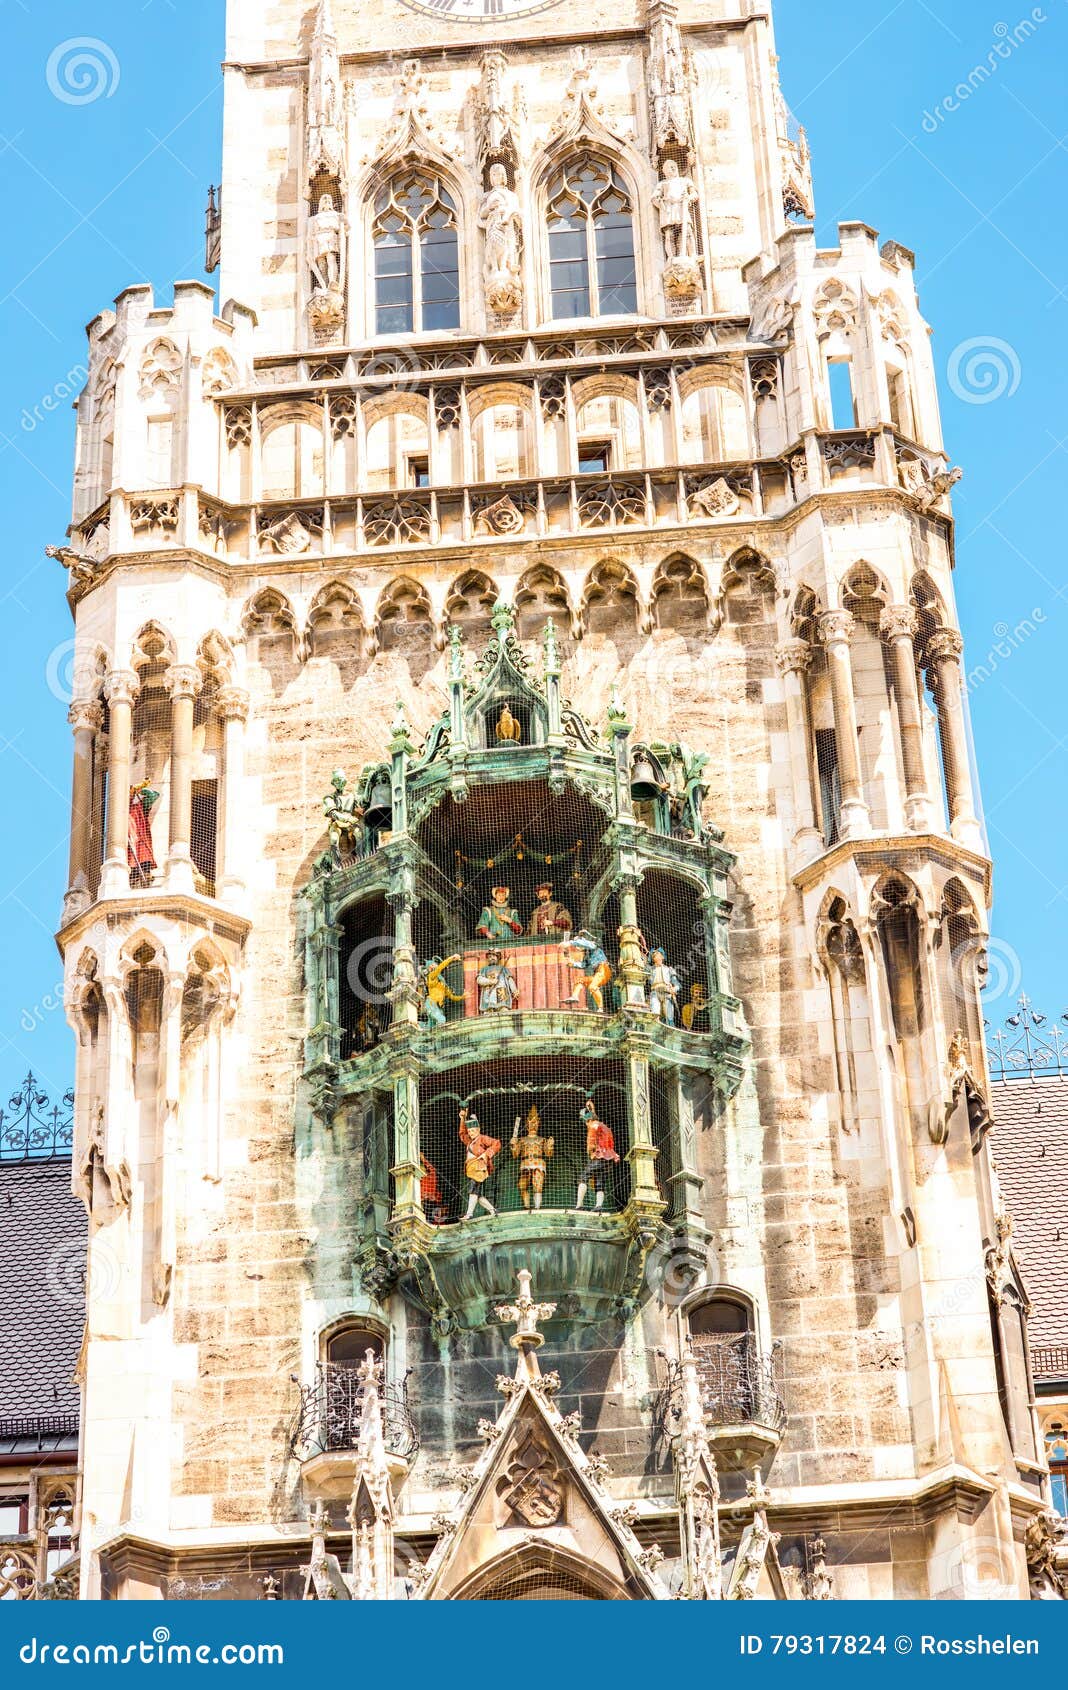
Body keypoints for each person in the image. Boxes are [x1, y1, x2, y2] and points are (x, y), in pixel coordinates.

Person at [573, 1099, 620, 1211]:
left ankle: (579, 1205)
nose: (586, 1124)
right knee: (600, 1183)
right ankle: (598, 1206)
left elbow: (591, 1141)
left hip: (599, 1157)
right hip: (609, 1159)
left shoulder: (593, 1125)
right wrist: (592, 1108)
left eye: (585, 1121)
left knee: (583, 1178)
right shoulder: (605, 1127)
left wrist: (590, 1151)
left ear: (588, 1120)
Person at [459, 1106, 501, 1220]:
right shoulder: (470, 1141)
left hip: (479, 1167)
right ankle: (493, 1210)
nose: (471, 1133)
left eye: (473, 1131)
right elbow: (462, 1134)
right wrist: (462, 1119)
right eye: (469, 1131)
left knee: (473, 1190)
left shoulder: (482, 1138)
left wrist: (486, 1154)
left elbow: (496, 1143)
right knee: (477, 1194)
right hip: (471, 1168)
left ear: (478, 1130)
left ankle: (469, 1214)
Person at [511, 1105, 554, 1212]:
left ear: (539, 1123)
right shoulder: (521, 1139)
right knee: (522, 1185)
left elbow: (549, 1154)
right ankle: (526, 1206)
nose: (533, 1125)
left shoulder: (542, 1139)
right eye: (531, 1122)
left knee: (537, 1185)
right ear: (527, 1123)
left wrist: (550, 1145)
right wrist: (513, 1145)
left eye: (535, 1122)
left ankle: (537, 1207)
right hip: (525, 1163)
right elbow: (515, 1154)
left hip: (538, 1163)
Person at [563, 930, 613, 1013]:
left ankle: (601, 1008)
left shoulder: (593, 945)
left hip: (603, 970)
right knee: (579, 980)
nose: (578, 947)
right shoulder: (587, 955)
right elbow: (584, 965)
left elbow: (585, 944)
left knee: (592, 987)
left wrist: (570, 942)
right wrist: (572, 963)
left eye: (578, 944)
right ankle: (575, 996)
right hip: (597, 973)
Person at [420, 955, 464, 1030]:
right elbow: (440, 967)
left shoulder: (443, 984)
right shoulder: (432, 975)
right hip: (431, 1004)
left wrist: (463, 997)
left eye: (434, 964)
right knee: (441, 1020)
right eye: (432, 965)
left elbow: (452, 997)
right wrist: (451, 958)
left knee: (430, 1027)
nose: (434, 966)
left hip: (438, 1007)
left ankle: (419, 1025)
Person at [127, 782, 158, 887]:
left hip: (141, 840)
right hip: (129, 843)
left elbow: (153, 796)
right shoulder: (119, 812)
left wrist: (140, 789)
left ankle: (146, 875)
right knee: (131, 860)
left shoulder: (139, 807)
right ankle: (133, 879)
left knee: (144, 855)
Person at [646, 946, 681, 1026]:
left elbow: (677, 984)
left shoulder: (669, 969)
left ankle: (670, 1028)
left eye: (658, 955)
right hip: (655, 992)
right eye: (654, 956)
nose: (656, 957)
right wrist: (647, 958)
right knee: (655, 1013)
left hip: (667, 993)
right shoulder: (650, 969)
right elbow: (644, 966)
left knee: (669, 1016)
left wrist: (674, 989)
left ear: (662, 957)